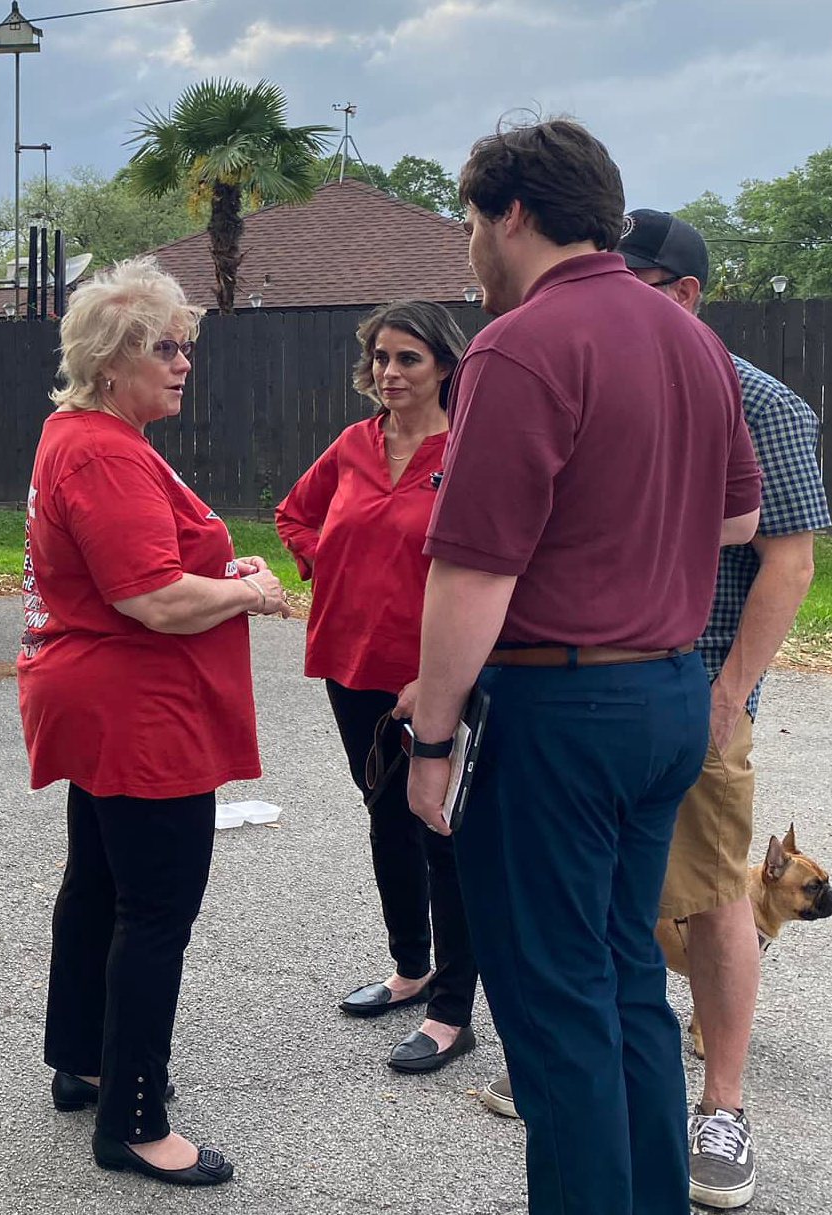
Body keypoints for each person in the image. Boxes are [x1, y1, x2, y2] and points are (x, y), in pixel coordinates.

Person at [404, 120, 761, 1215]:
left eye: (467, 218)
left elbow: (472, 571)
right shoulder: (686, 336)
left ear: (510, 212)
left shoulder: (520, 343)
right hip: (663, 691)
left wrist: (429, 740)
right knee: (622, 985)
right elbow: (741, 513)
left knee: (555, 1006)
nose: (467, 243)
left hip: (561, 704)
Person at [17, 257, 289, 1187]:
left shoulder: (84, 433)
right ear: (109, 361)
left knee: (98, 884)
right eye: (163, 348)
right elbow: (157, 600)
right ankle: (133, 1120)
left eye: (185, 345)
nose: (183, 362)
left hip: (108, 700)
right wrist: (249, 591)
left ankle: (85, 1060)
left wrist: (222, 579)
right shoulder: (101, 447)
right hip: (138, 711)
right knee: (155, 910)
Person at [614, 210, 831, 1208]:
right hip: (590, 690)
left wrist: (728, 694)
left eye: (632, 288)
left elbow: (787, 564)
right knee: (599, 895)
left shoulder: (759, 403)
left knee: (707, 897)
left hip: (698, 691)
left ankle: (723, 1110)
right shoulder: (605, 389)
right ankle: (603, 1077)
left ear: (685, 295)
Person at [275, 301, 480, 1073]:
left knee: (442, 831)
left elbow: (493, 564)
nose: (390, 374)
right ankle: (411, 966)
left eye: (408, 360)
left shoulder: (466, 451)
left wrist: (436, 676)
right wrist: (331, 563)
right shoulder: (354, 445)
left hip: (433, 671)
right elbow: (294, 515)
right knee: (384, 816)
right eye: (382, 359)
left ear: (446, 366)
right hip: (349, 664)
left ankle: (455, 1011)